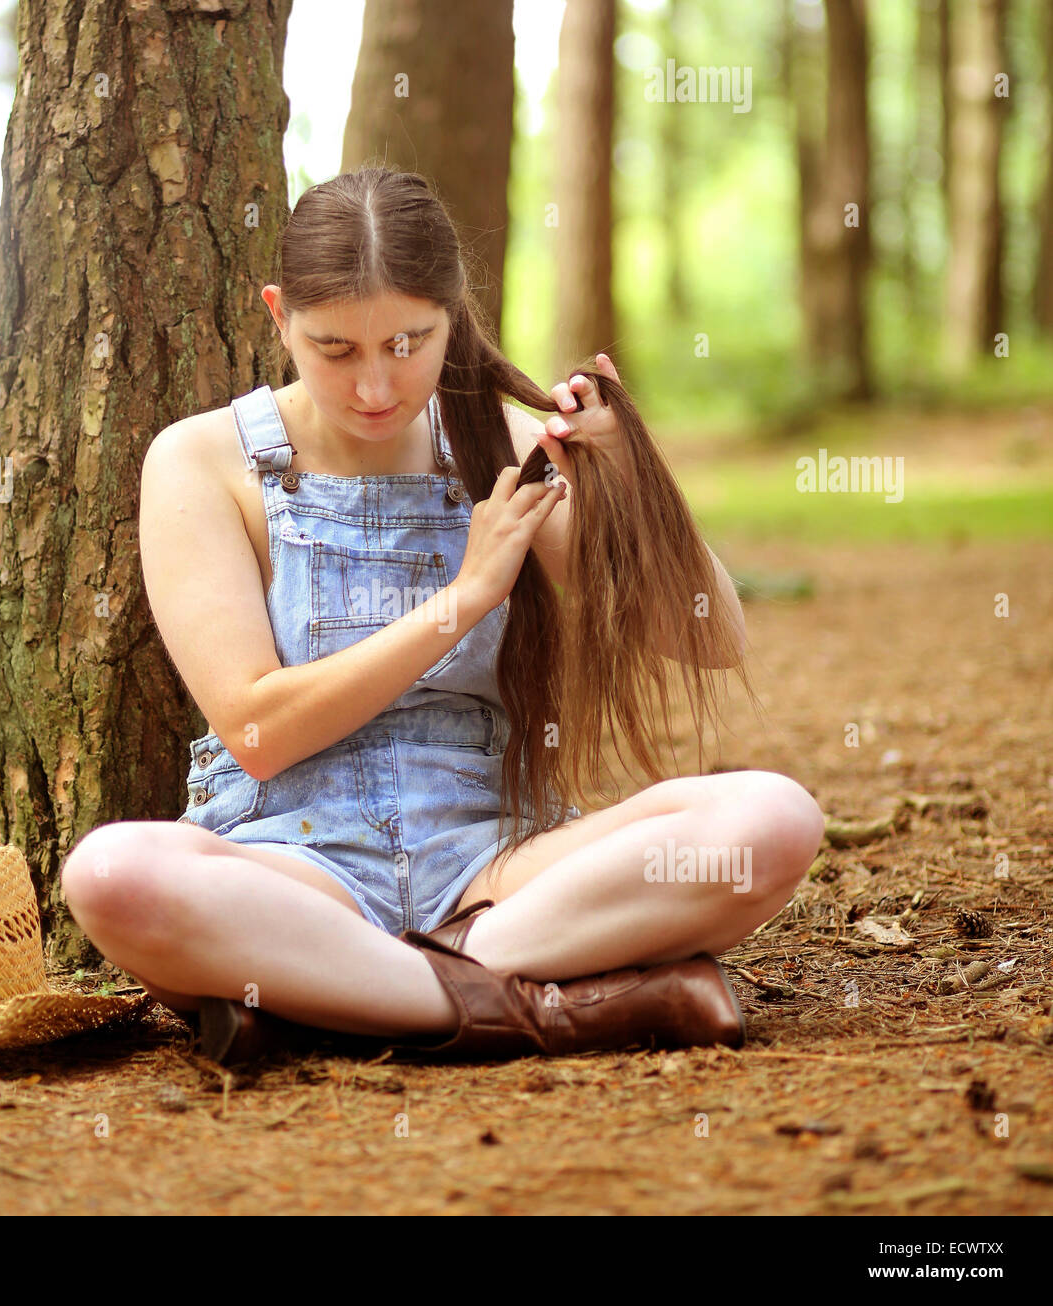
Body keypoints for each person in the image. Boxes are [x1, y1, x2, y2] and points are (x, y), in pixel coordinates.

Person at [60, 166, 825, 1065]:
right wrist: (462, 601)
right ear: (278, 316)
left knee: (771, 819)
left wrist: (631, 487)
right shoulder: (204, 460)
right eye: (336, 349)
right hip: (293, 868)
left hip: (498, 869)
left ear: (452, 319)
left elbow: (713, 636)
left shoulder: (503, 447)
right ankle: (552, 1006)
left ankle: (357, 996)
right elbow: (259, 728)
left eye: (408, 343)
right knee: (113, 876)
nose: (376, 386)